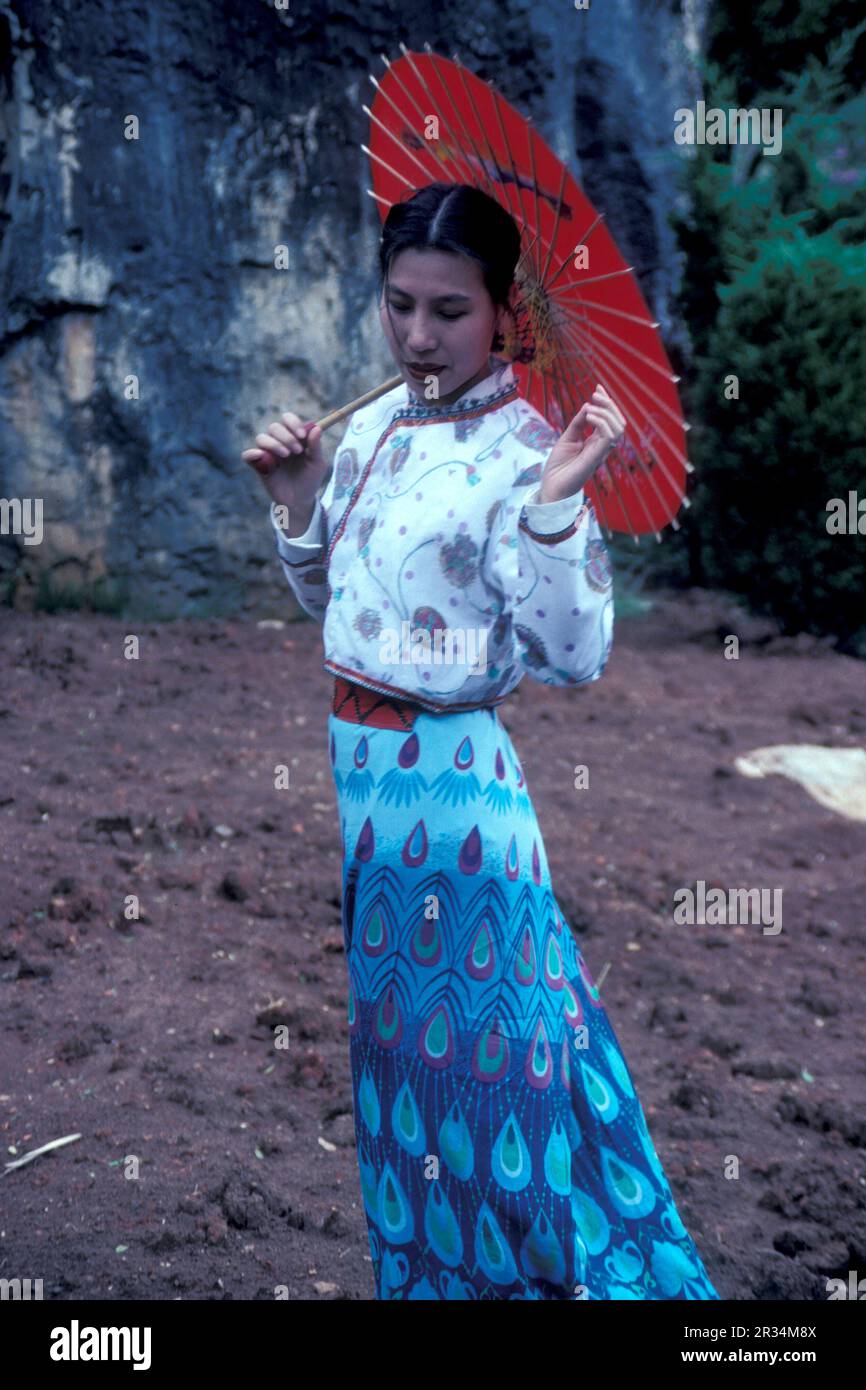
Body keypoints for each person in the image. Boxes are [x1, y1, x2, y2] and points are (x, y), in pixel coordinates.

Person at [242, 183, 720, 1301]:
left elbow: (571, 653)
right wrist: (298, 500)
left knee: (494, 1081)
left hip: (455, 803)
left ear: (505, 311)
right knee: (411, 1075)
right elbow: (338, 610)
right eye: (397, 303)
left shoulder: (527, 453)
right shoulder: (365, 429)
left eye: (447, 311)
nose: (416, 335)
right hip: (365, 792)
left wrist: (556, 506)